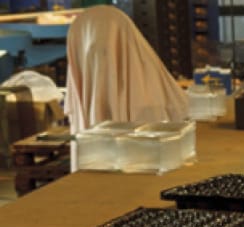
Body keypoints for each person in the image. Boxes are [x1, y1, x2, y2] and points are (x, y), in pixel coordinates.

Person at [65, 5, 189, 134]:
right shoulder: (80, 102)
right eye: (92, 54)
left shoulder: (149, 99)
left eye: (106, 52)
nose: (103, 65)